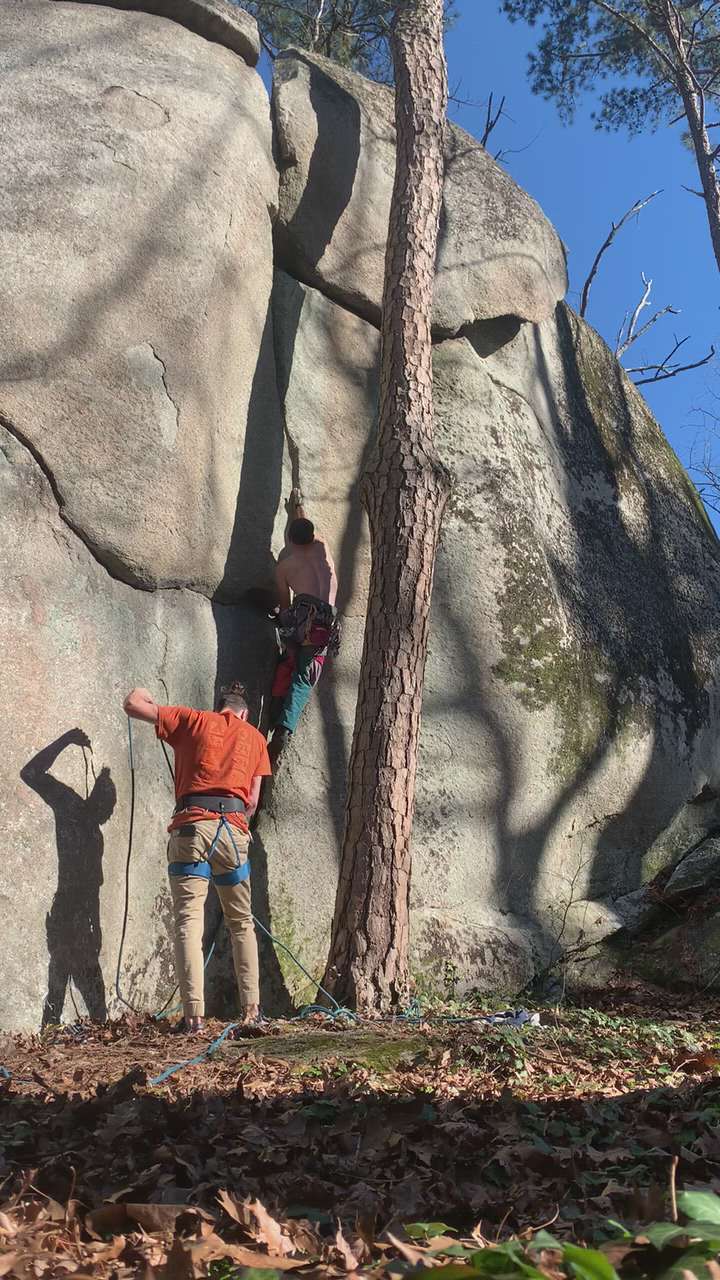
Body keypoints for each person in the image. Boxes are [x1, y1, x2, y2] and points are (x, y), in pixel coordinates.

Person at [122, 682, 271, 1034]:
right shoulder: (255, 739)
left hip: (191, 828)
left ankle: (193, 1019)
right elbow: (251, 800)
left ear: (219, 707)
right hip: (232, 833)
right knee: (241, 922)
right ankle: (251, 1012)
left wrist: (145, 689)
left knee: (189, 921)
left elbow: (133, 704)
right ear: (244, 713)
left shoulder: (192, 720)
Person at [268, 488, 340, 764]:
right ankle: (284, 727)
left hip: (301, 619)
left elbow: (285, 606)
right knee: (305, 676)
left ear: (292, 543)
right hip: (324, 624)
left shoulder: (285, 567)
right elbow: (304, 527)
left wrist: (286, 627)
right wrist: (298, 507)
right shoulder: (322, 547)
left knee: (291, 657)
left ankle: (275, 705)